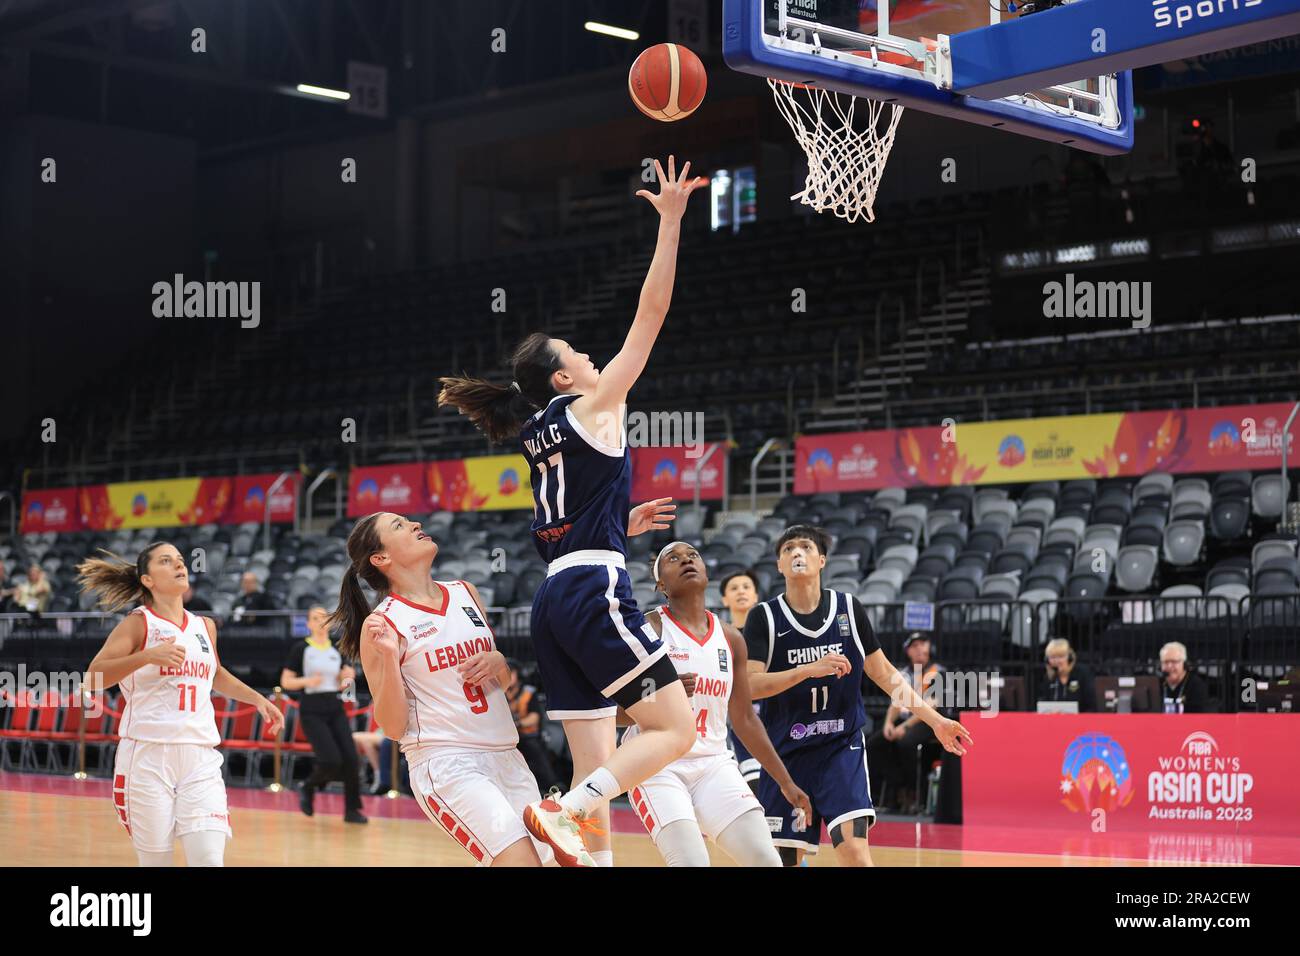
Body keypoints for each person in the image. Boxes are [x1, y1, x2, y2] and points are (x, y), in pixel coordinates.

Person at [437, 154, 707, 868]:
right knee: (674, 731)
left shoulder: (534, 433)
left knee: (600, 775)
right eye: (581, 353)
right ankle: (562, 807)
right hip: (591, 591)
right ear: (563, 377)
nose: (593, 356)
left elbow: (558, 521)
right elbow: (651, 316)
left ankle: (576, 814)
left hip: (555, 597)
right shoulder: (595, 404)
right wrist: (672, 222)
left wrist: (618, 524)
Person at [329, 512, 555, 867]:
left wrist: (499, 663)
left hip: (508, 755)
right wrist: (389, 659)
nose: (416, 525)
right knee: (520, 862)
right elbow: (391, 727)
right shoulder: (381, 624)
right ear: (381, 558)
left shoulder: (466, 592)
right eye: (400, 526)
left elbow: (502, 683)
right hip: (448, 763)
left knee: (550, 861)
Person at [744, 525, 972, 867]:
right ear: (779, 564)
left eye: (805, 546)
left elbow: (885, 674)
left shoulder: (849, 609)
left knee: (854, 851)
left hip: (840, 747)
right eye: (788, 548)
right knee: (784, 861)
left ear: (821, 560)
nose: (796, 553)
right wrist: (807, 670)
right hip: (786, 754)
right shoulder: (764, 617)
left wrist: (936, 720)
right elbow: (750, 685)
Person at [78, 543, 284, 866]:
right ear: (147, 579)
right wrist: (147, 656)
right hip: (147, 757)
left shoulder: (205, 627)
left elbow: (215, 674)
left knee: (209, 861)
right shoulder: (139, 623)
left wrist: (257, 699)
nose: (179, 566)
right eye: (166, 561)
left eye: (180, 560)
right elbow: (92, 678)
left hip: (200, 757)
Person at [621, 543, 810, 866]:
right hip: (657, 765)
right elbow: (611, 714)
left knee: (768, 861)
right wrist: (661, 697)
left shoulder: (731, 639)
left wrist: (785, 781)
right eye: (673, 558)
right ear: (660, 584)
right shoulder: (648, 628)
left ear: (706, 572)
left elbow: (746, 719)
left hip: (714, 763)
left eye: (693, 556)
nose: (686, 561)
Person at [281, 605, 367, 823]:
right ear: (308, 624)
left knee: (350, 758)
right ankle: (308, 787)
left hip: (334, 706)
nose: (320, 621)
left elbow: (345, 687)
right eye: (315, 618)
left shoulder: (337, 650)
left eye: (324, 617)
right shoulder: (301, 649)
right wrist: (307, 681)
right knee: (330, 760)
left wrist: (348, 678)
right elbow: (286, 682)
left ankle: (352, 810)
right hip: (311, 707)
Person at [865, 632, 943, 813]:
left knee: (905, 742)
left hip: (929, 722)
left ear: (929, 647)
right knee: (874, 744)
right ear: (908, 651)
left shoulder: (937, 672)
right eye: (914, 646)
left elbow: (932, 705)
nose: (920, 649)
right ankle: (897, 783)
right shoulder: (904, 673)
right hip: (904, 719)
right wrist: (888, 724)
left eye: (923, 644)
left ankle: (913, 792)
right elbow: (896, 702)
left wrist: (904, 727)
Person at [720, 569, 763, 791]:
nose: (741, 592)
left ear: (756, 595)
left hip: (768, 711)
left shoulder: (770, 632)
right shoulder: (719, 636)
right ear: (724, 599)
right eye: (734, 588)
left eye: (746, 587)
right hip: (733, 715)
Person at [504, 660, 561, 793]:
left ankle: (553, 787)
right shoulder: (498, 693)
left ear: (518, 675)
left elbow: (534, 717)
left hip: (527, 736)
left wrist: (517, 723)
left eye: (510, 672)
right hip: (508, 738)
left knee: (537, 754)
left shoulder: (528, 692)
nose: (507, 676)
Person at [1038, 638, 1096, 712]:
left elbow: (1091, 706)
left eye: (1060, 657)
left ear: (1069, 658)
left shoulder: (1082, 673)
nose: (1056, 661)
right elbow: (1043, 704)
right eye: (1052, 657)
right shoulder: (1049, 678)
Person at [1158, 641, 1209, 714]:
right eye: (1165, 662)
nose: (1169, 666)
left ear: (1184, 663)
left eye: (1174, 662)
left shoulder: (1196, 685)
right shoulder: (1157, 684)